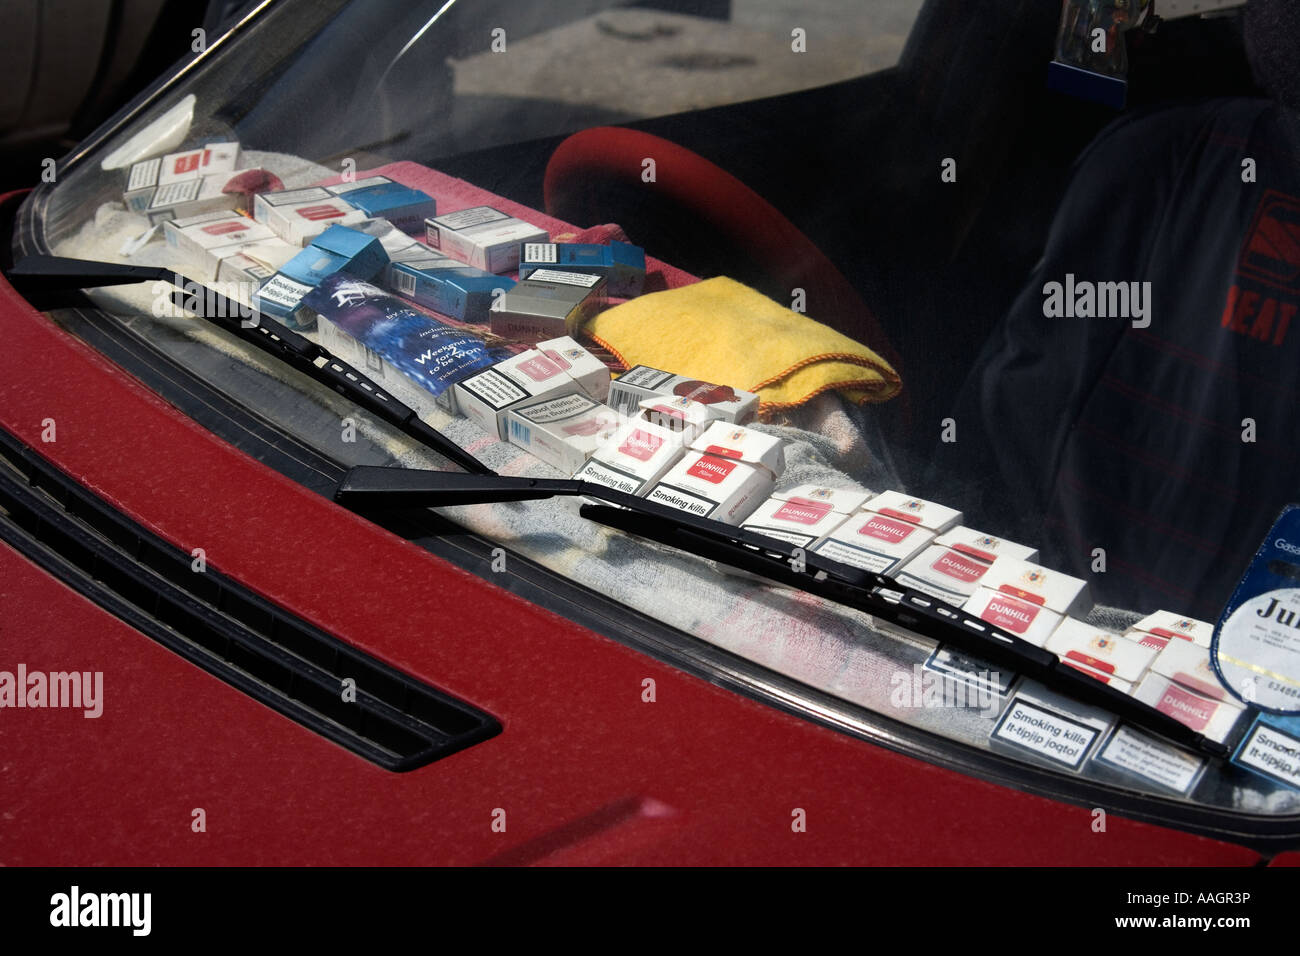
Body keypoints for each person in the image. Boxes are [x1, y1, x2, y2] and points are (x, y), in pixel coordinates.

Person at [941, 0, 1300, 620]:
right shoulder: (1158, 163)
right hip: (1081, 629)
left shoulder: (1164, 160)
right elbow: (1017, 406)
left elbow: (1012, 403)